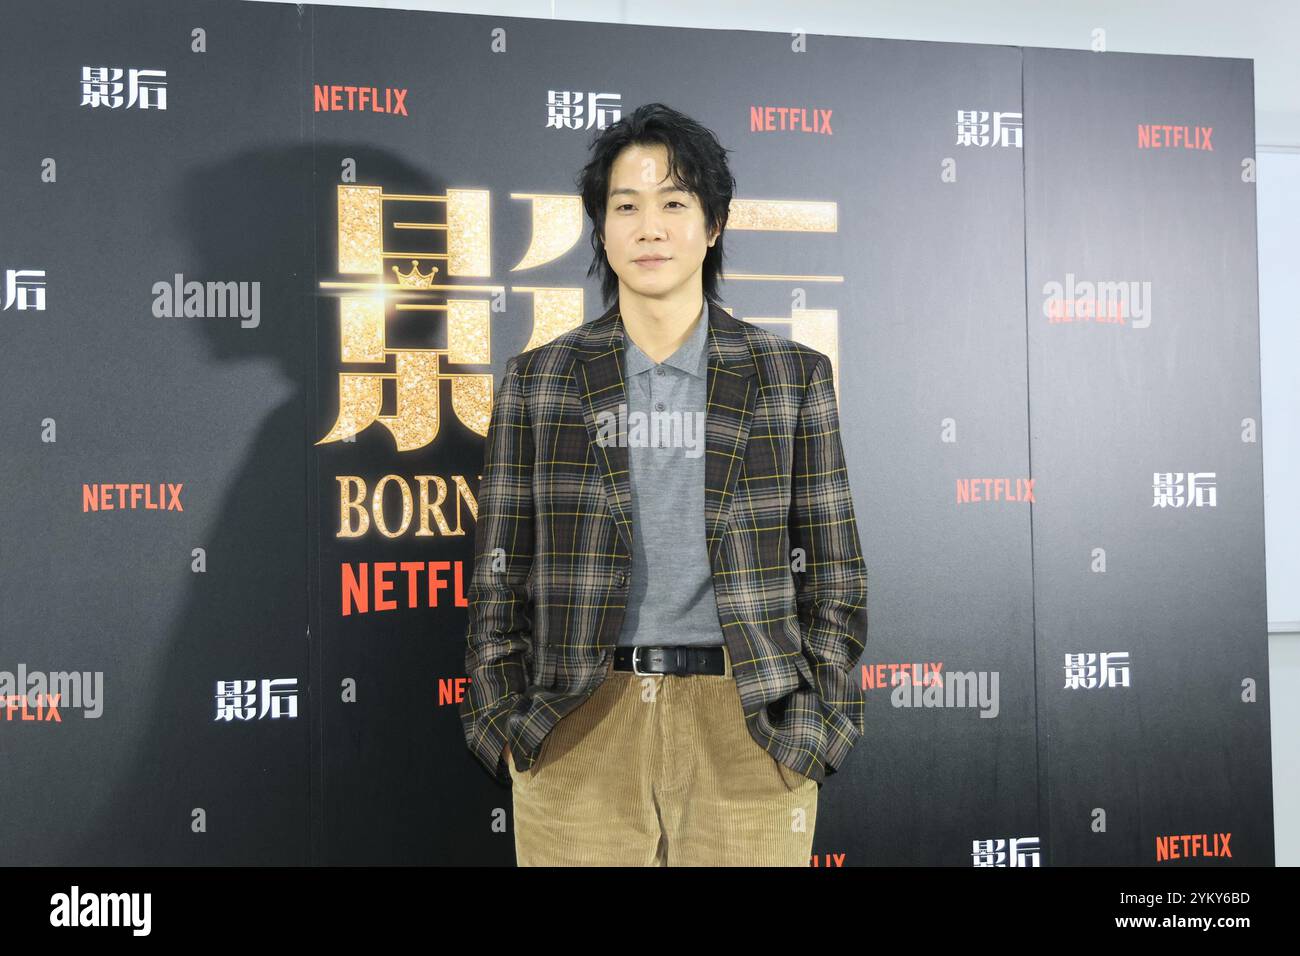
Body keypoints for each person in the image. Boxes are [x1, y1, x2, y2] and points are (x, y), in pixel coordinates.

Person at [460, 103, 868, 866]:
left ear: (713, 225)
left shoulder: (790, 378)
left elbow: (837, 570)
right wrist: (505, 718)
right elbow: (498, 571)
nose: (650, 227)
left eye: (674, 203)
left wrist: (815, 723)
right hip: (576, 721)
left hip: (750, 724)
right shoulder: (540, 381)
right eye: (626, 206)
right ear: (601, 227)